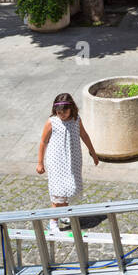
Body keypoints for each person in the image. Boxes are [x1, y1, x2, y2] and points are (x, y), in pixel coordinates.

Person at [35, 93, 99, 230]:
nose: (61, 115)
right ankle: (53, 221)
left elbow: (84, 135)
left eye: (64, 112)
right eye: (58, 112)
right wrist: (40, 162)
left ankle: (63, 213)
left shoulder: (76, 119)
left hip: (72, 160)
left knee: (69, 189)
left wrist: (93, 152)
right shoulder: (52, 122)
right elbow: (43, 142)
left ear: (71, 108)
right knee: (58, 192)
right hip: (56, 161)